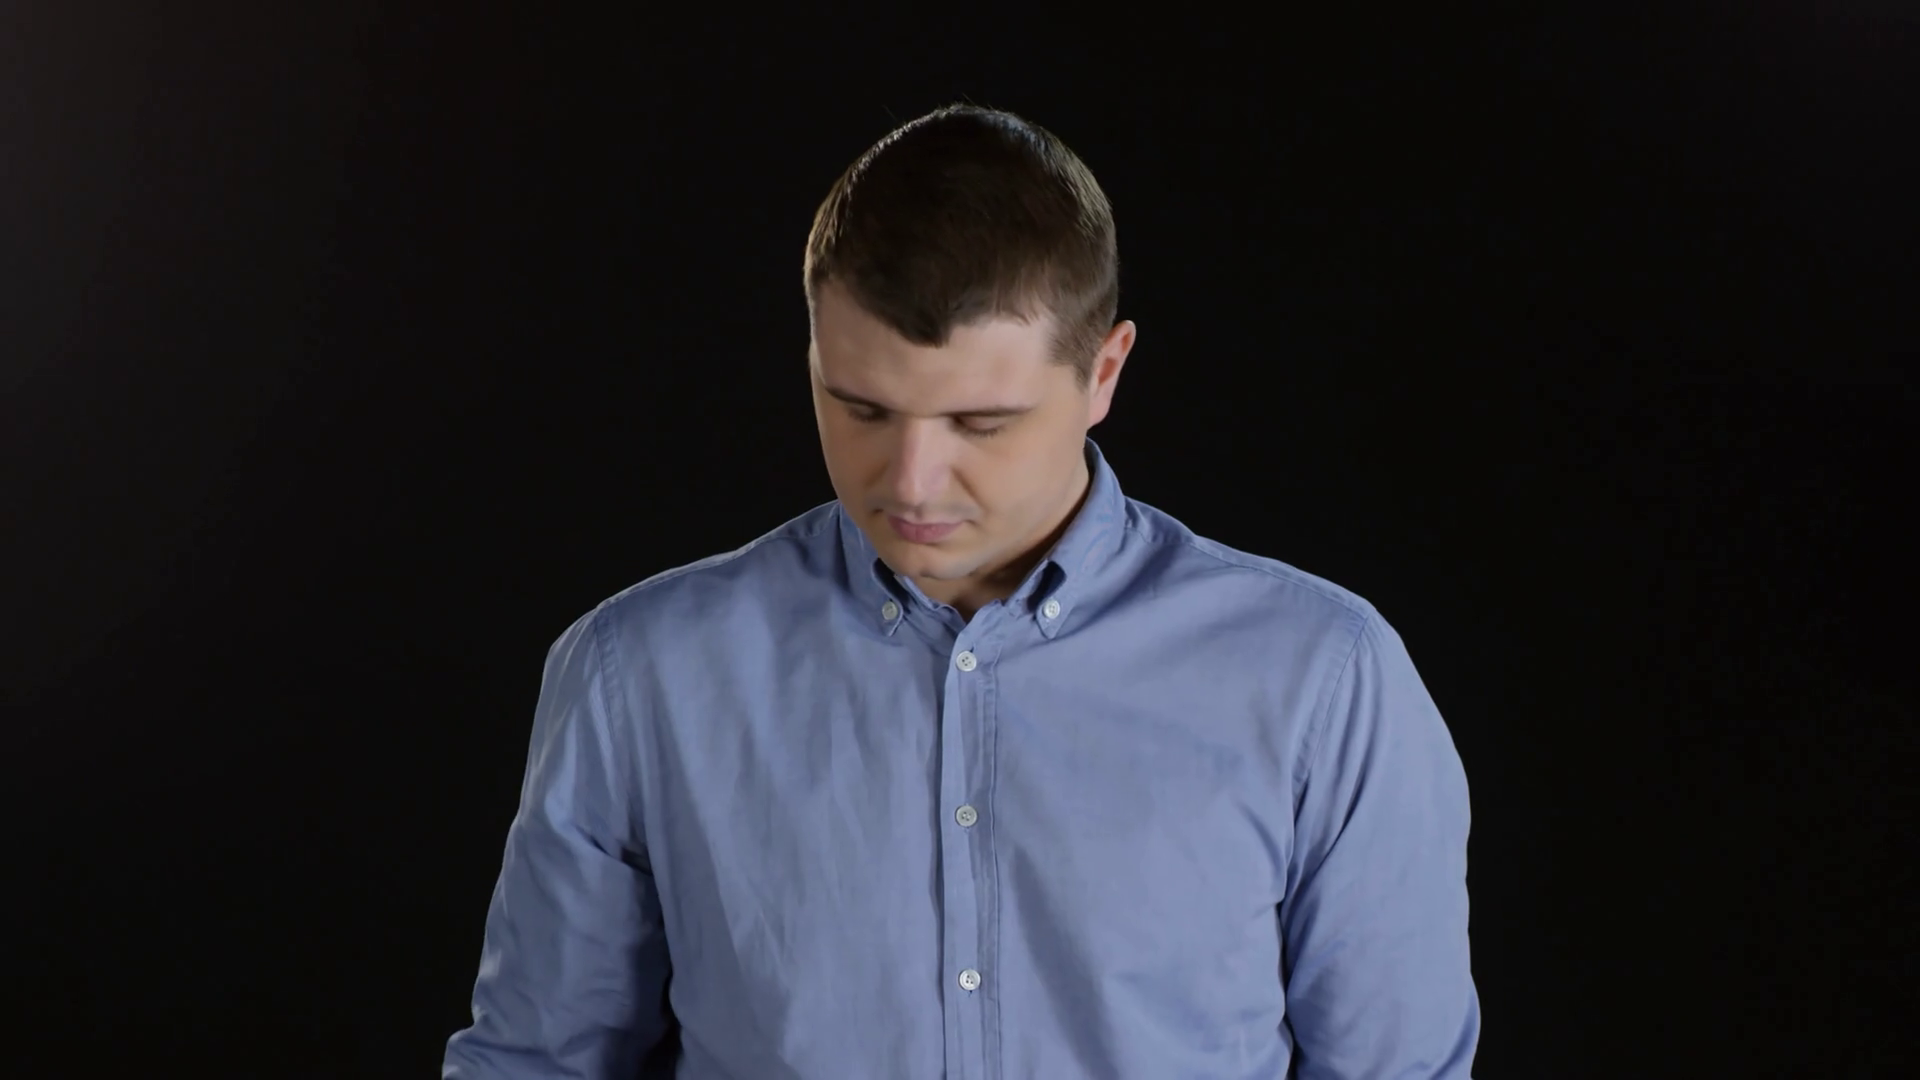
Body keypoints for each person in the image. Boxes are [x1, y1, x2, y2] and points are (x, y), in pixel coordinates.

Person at [442, 104, 1478, 1080]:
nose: (910, 483)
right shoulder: (642, 675)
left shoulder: (1321, 680)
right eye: (860, 408)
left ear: (1104, 372)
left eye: (980, 424)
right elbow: (535, 1063)